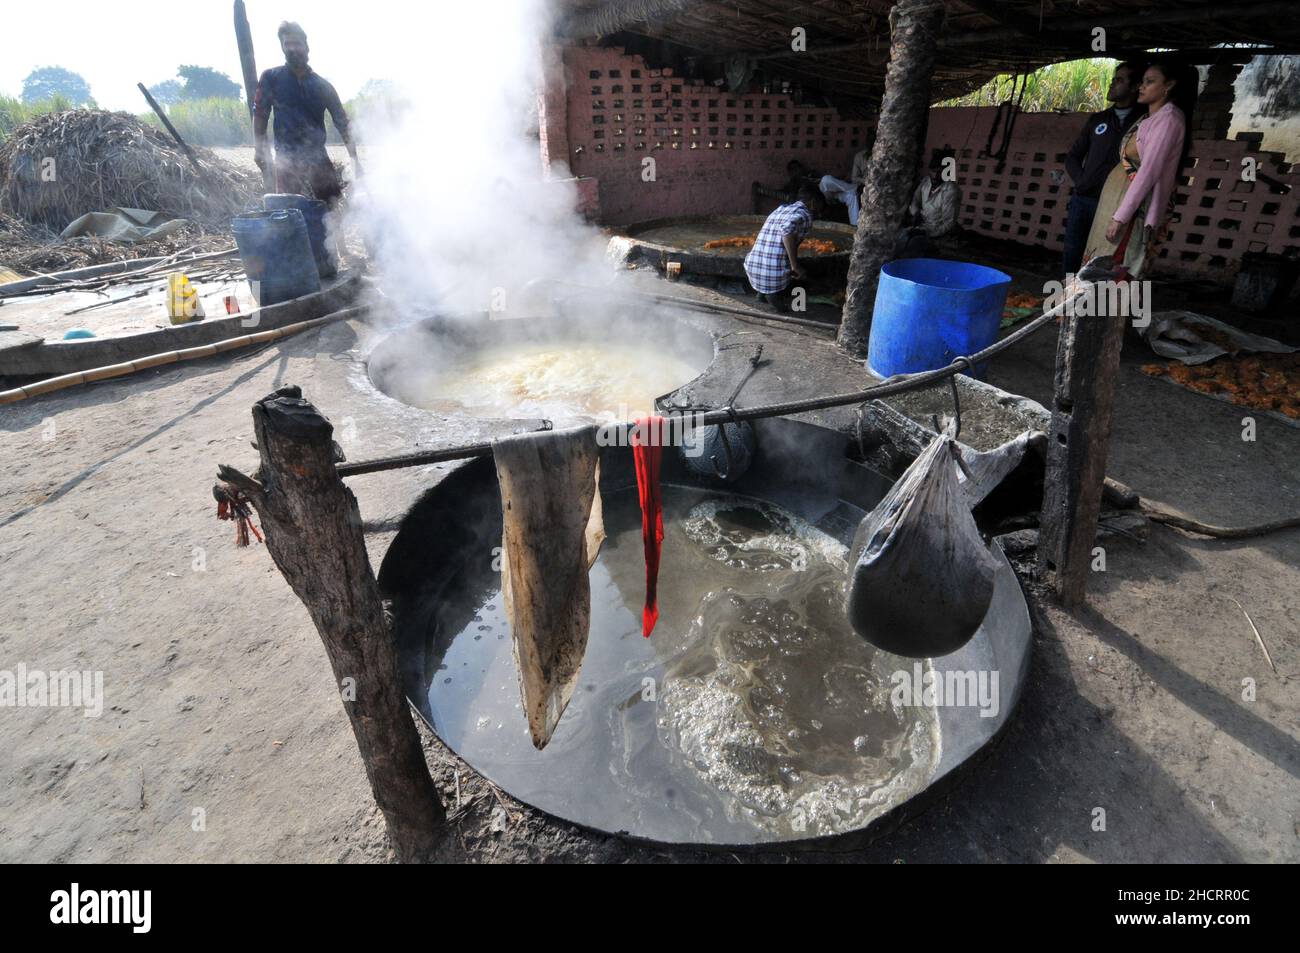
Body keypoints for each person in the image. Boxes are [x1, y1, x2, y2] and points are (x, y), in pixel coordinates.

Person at [1083, 59, 1198, 279]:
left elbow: (1149, 171)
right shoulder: (1152, 117)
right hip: (1119, 200)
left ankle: (1103, 313)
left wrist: (1121, 217)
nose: (1141, 86)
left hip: (1133, 209)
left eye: (1149, 81)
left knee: (1113, 268)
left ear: (1169, 86)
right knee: (1099, 265)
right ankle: (1088, 311)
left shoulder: (1170, 120)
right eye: (1142, 81)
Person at [253, 21, 360, 205]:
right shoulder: (271, 78)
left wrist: (354, 159)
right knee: (289, 212)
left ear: (307, 47)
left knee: (331, 208)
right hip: (286, 158)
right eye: (287, 44)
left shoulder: (323, 86)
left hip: (318, 157)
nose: (292, 49)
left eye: (297, 44)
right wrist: (259, 150)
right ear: (282, 47)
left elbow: (342, 123)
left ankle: (333, 234)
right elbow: (260, 115)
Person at [1061, 60, 1147, 276]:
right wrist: (1082, 181)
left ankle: (1090, 303)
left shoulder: (1144, 123)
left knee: (1101, 257)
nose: (1112, 84)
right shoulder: (1098, 119)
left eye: (1119, 80)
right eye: (1113, 79)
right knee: (1072, 251)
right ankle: (1065, 301)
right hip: (1084, 199)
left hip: (1116, 204)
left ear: (1135, 86)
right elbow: (1072, 157)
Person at [744, 183, 826, 310]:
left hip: (752, 266)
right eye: (821, 205)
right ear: (813, 202)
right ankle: (774, 298)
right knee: (798, 273)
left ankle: (761, 294)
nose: (821, 210)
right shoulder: (805, 215)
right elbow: (787, 231)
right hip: (771, 274)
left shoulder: (781, 209)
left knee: (773, 258)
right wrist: (795, 265)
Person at [895, 150, 962, 258]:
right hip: (921, 227)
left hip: (937, 233)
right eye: (933, 171)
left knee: (914, 247)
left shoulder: (950, 191)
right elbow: (915, 201)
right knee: (899, 239)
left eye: (940, 172)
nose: (935, 176)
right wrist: (915, 213)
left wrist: (928, 233)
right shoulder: (926, 182)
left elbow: (948, 224)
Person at [819, 147, 870, 225]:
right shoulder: (859, 156)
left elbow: (851, 178)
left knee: (852, 196)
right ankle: (854, 188)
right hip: (826, 193)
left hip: (839, 193)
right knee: (826, 179)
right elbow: (854, 178)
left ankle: (854, 226)